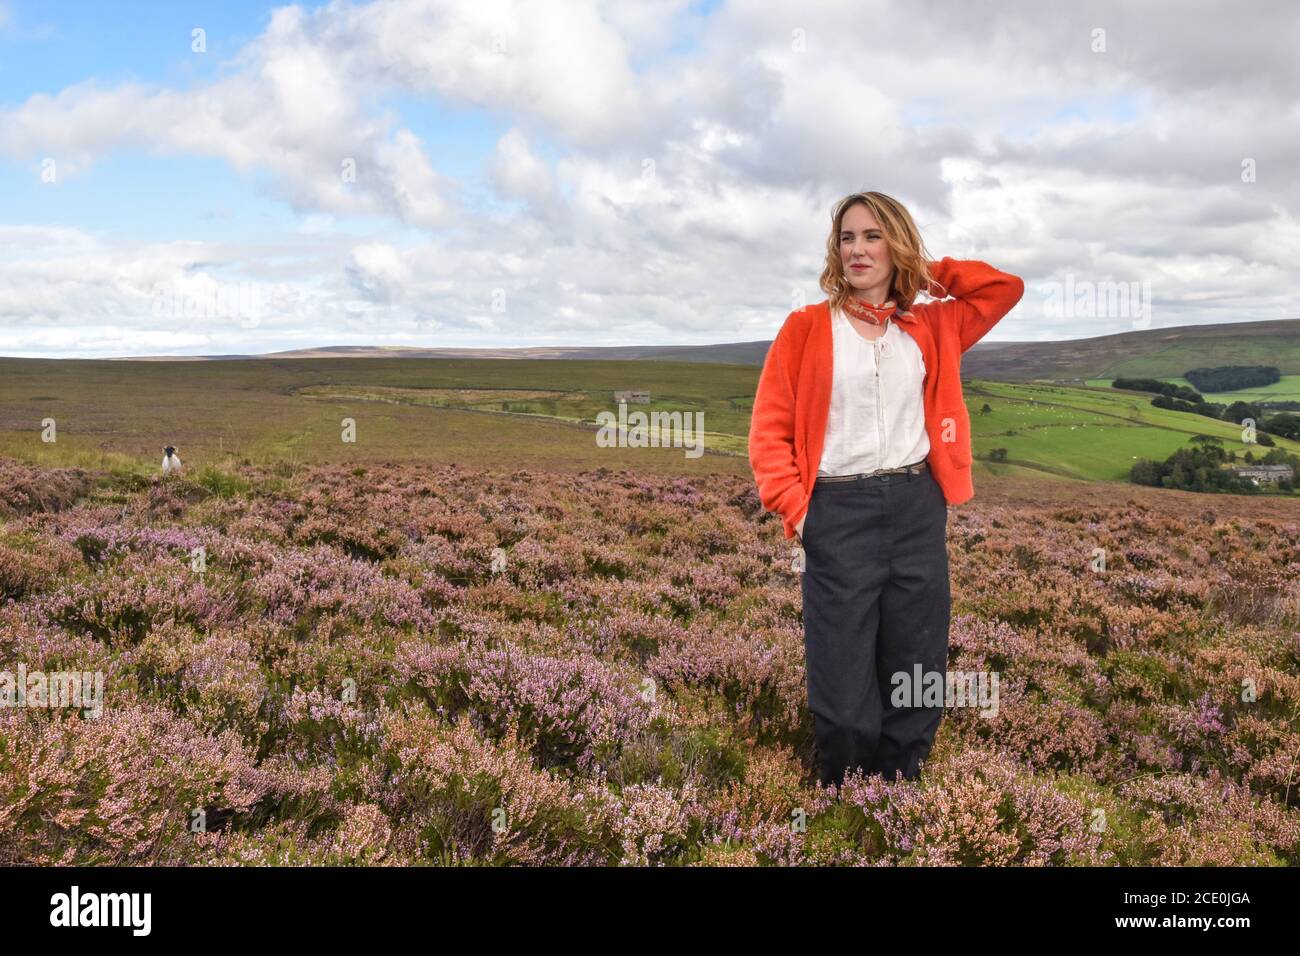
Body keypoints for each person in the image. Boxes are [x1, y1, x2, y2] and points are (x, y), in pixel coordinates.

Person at [748, 190, 1024, 788]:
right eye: (848, 237)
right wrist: (800, 510)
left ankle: (901, 790)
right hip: (836, 512)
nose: (858, 249)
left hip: (916, 507)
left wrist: (924, 272)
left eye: (874, 236)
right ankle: (844, 794)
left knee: (917, 661)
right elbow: (769, 429)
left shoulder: (931, 323)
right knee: (842, 680)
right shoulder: (805, 328)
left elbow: (1003, 288)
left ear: (895, 243)